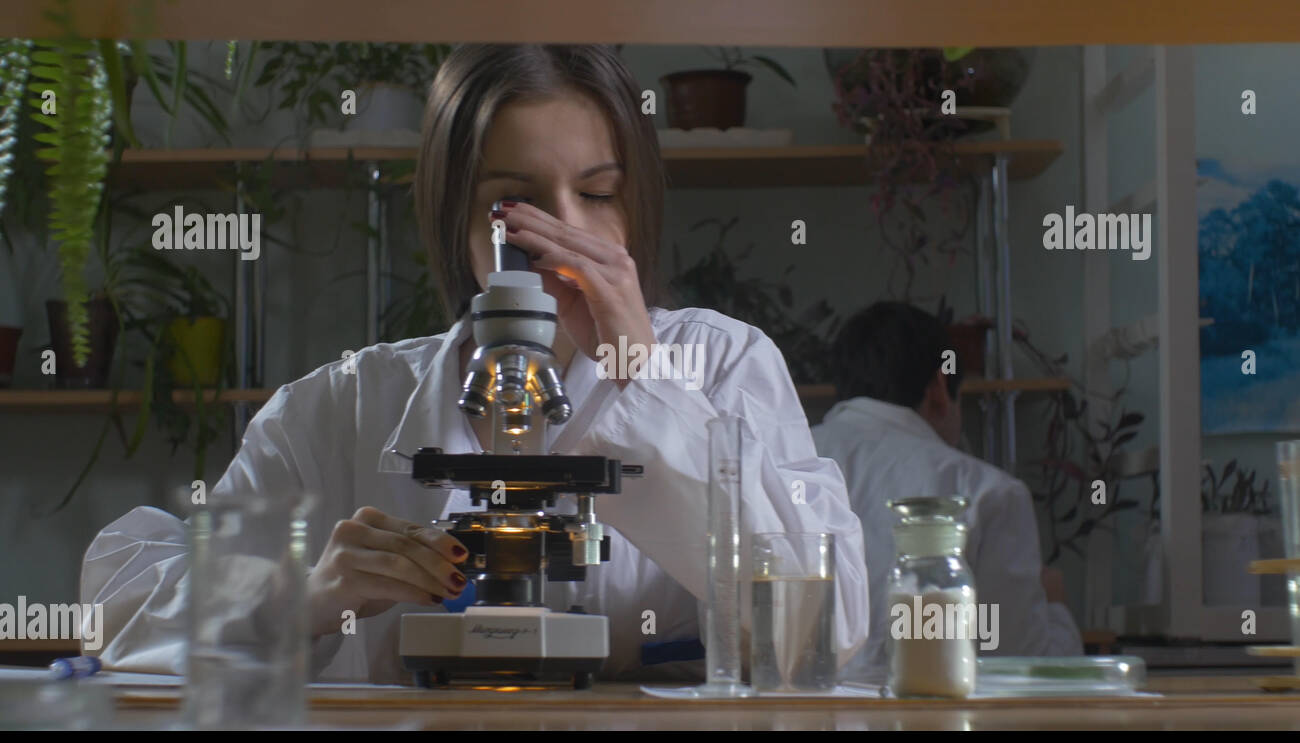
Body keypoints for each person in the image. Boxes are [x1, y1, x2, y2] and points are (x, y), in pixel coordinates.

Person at [80, 44, 870, 684]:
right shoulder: (341, 408)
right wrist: (303, 596)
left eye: (597, 194)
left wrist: (644, 381)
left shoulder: (721, 365)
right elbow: (120, 603)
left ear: (638, 207)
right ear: (454, 215)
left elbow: (823, 629)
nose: (563, 237)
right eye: (512, 205)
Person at [811, 301, 1082, 681]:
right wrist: (1055, 606)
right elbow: (1020, 668)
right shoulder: (988, 493)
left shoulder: (771, 469)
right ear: (940, 385)